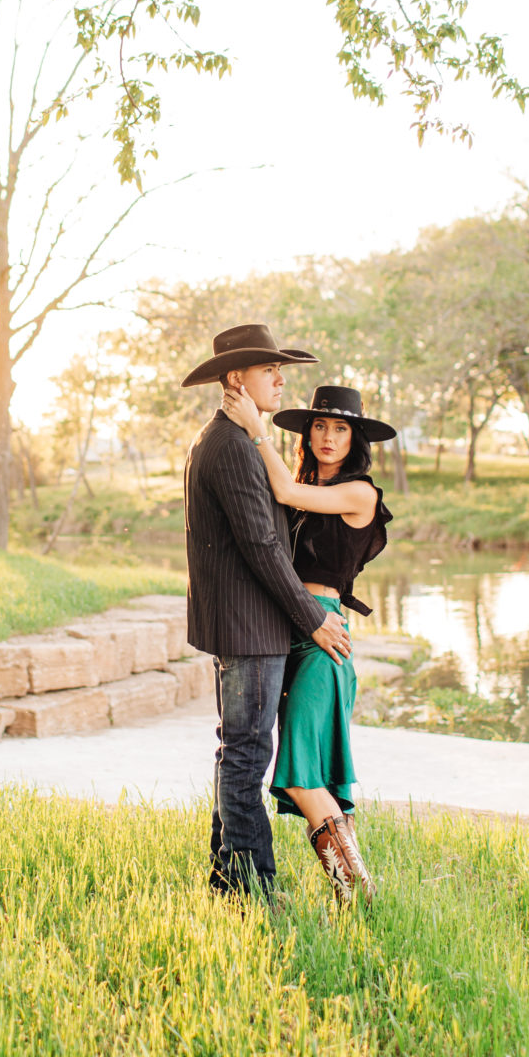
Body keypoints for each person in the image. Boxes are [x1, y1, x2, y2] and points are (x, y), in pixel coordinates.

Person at [181, 324, 354, 902]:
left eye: (281, 370)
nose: (281, 380)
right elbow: (260, 545)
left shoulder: (235, 438)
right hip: (251, 627)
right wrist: (311, 616)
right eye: (268, 370)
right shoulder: (228, 445)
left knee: (240, 751)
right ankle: (252, 889)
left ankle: (228, 878)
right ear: (236, 378)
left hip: (253, 625)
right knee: (246, 755)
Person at [221, 382, 395, 904]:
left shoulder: (360, 492)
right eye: (319, 425)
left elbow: (287, 494)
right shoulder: (297, 480)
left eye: (340, 429)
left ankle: (359, 894)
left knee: (299, 774)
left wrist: (256, 431)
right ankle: (355, 893)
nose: (327, 436)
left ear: (354, 440)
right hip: (287, 630)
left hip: (323, 636)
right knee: (303, 771)